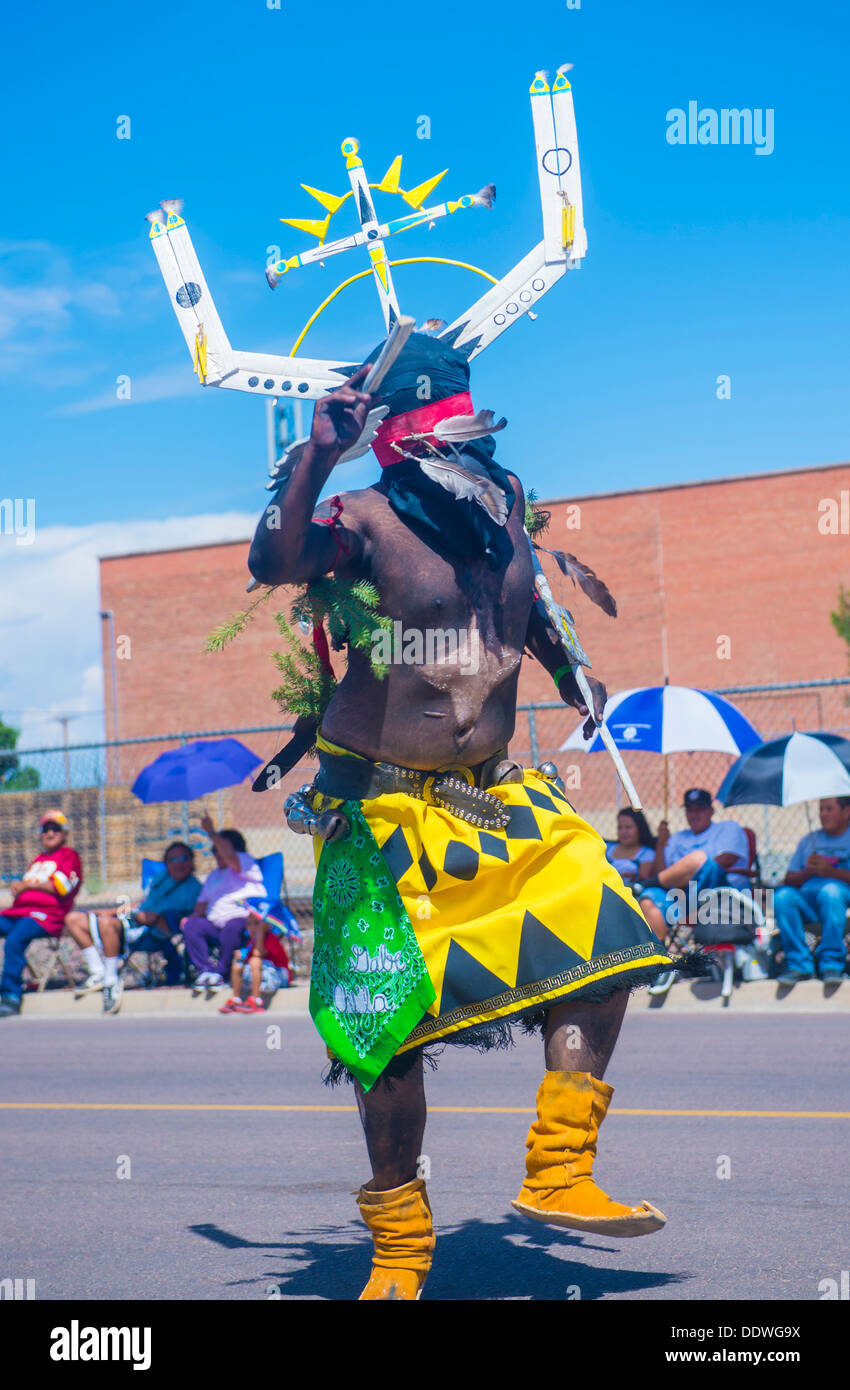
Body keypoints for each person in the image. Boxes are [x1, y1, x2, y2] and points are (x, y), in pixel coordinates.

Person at [247, 333, 678, 1302]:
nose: (463, 441)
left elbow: (521, 613)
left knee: (607, 935)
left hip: (485, 798)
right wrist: (318, 451)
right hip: (380, 810)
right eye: (439, 421)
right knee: (385, 1038)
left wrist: (572, 672)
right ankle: (400, 1246)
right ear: (400, 436)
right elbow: (276, 560)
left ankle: (559, 1165)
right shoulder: (357, 519)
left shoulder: (506, 514)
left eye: (467, 419)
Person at [65, 841, 202, 1014]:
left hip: (153, 932)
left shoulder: (195, 888)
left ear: (192, 861)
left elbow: (179, 921)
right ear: (166, 863)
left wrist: (145, 918)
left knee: (107, 923)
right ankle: (97, 971)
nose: (179, 863)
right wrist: (108, 911)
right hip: (134, 918)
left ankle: (110, 980)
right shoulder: (162, 878)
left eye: (184, 858)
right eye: (173, 859)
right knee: (73, 919)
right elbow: (141, 905)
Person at [635, 788, 751, 946]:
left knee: (701, 860)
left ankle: (639, 886)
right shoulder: (677, 838)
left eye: (700, 809)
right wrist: (661, 845)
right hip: (681, 898)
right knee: (650, 896)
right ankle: (659, 957)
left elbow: (726, 860)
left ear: (711, 811)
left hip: (719, 892)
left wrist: (683, 874)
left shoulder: (728, 828)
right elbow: (662, 874)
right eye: (690, 810)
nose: (694, 814)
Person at [0, 810, 83, 1018]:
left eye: (55, 828)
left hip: (46, 916)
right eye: (45, 829)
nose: (50, 833)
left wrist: (26, 885)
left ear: (65, 833)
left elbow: (62, 886)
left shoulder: (69, 857)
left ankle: (11, 996)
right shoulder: (37, 860)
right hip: (18, 913)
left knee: (14, 940)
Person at [772, 796, 850, 984]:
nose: (823, 814)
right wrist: (808, 872)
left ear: (847, 811)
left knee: (831, 891)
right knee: (782, 897)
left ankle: (831, 964)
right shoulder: (809, 841)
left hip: (838, 901)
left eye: (829, 809)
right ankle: (799, 964)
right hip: (808, 902)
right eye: (821, 809)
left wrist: (830, 871)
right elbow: (788, 879)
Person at [182, 817, 265, 991]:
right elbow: (201, 906)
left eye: (222, 849)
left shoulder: (244, 861)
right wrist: (191, 918)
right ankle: (205, 972)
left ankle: (221, 972)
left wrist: (211, 832)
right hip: (215, 924)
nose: (219, 854)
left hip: (243, 922)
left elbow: (230, 857)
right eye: (216, 851)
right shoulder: (213, 875)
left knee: (232, 926)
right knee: (192, 925)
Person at [218, 912, 291, 1015]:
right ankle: (236, 999)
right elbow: (246, 959)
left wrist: (261, 932)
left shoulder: (271, 938)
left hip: (280, 976)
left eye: (257, 924)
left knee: (255, 961)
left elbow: (258, 953)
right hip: (264, 976)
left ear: (266, 925)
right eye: (249, 924)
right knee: (237, 964)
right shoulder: (251, 941)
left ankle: (256, 1000)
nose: (252, 927)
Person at [605, 808, 657, 886]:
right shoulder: (607, 848)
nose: (623, 832)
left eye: (628, 827)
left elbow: (643, 879)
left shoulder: (647, 853)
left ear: (640, 828)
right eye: (620, 827)